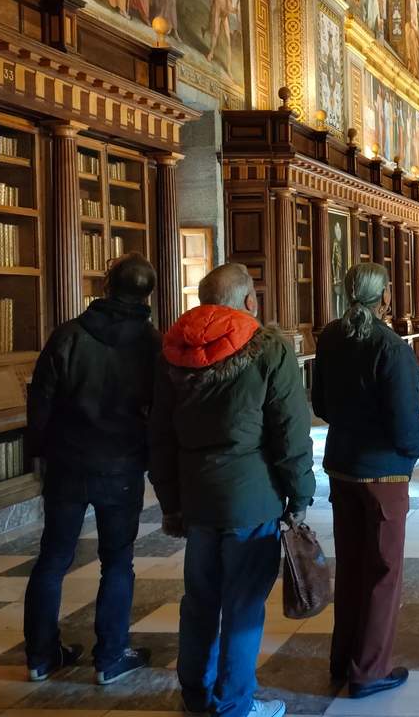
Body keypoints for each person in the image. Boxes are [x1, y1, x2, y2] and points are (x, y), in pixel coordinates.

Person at [150, 264, 314, 717]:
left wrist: (170, 502)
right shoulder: (269, 349)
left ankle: (196, 694)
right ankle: (234, 705)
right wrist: (300, 494)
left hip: (196, 497)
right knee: (243, 606)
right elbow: (290, 432)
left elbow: (159, 436)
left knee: (199, 601)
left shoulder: (173, 350)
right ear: (249, 302)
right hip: (250, 499)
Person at [23, 253, 160, 685]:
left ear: (106, 286)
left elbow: (40, 401)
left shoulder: (68, 334)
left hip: (67, 462)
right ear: (147, 295)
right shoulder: (152, 343)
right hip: (121, 465)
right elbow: (160, 409)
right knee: (117, 561)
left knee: (52, 558)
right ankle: (110, 656)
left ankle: (41, 656)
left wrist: (40, 454)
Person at [312, 263, 419, 699]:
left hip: (342, 467)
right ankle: (370, 670)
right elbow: (405, 424)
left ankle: (343, 658)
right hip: (383, 473)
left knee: (351, 566)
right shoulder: (391, 348)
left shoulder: (330, 337)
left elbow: (321, 404)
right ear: (384, 297)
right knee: (383, 570)